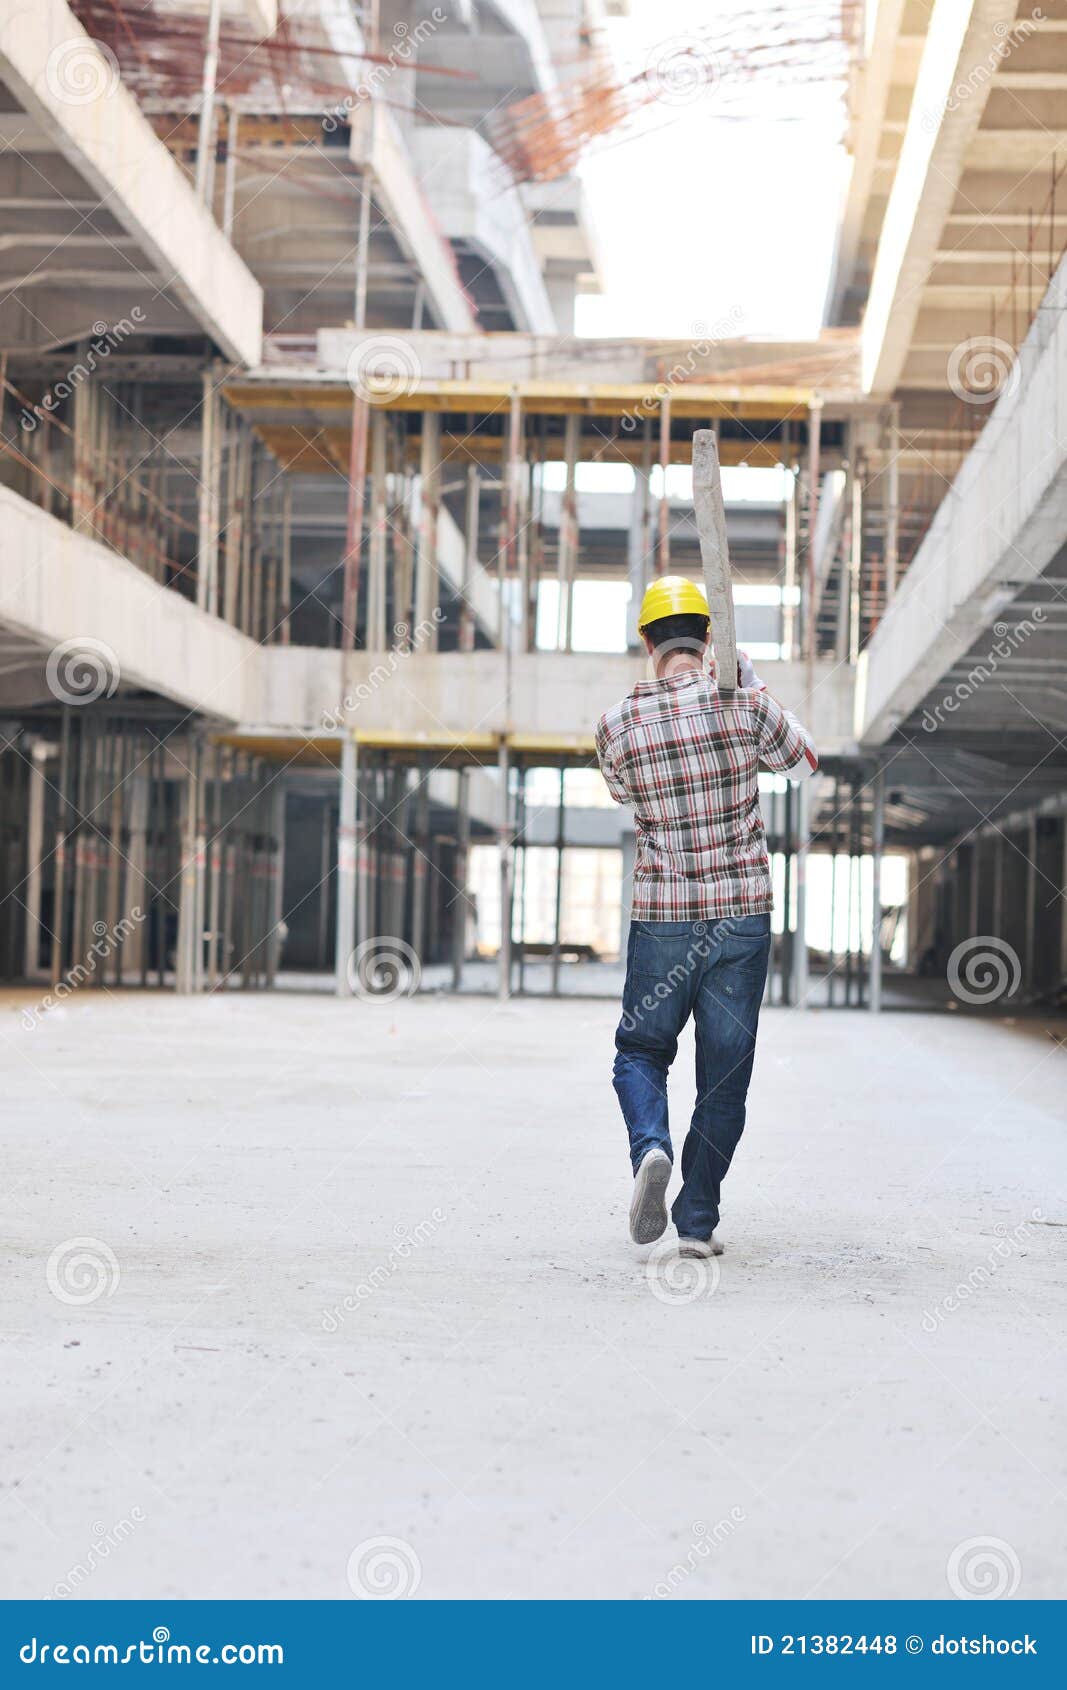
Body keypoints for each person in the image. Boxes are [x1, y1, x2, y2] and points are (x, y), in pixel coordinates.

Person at [595, 575, 818, 1258]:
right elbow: (805, 763)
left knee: (640, 1051)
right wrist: (749, 681)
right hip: (738, 916)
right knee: (723, 1077)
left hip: (663, 916)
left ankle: (651, 1150)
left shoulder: (615, 725)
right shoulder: (742, 703)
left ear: (647, 641)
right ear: (710, 636)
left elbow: (621, 792)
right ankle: (695, 1224)